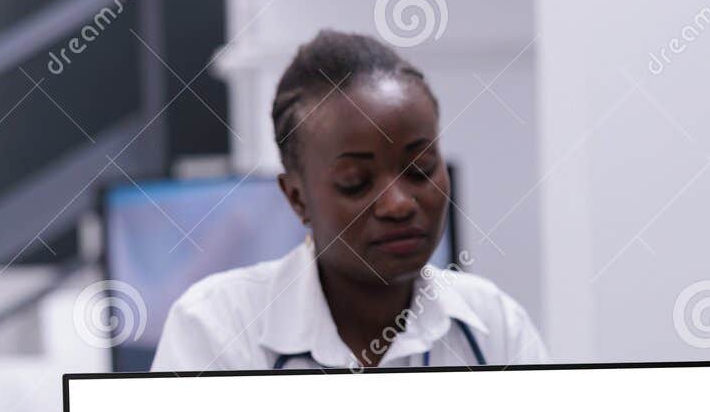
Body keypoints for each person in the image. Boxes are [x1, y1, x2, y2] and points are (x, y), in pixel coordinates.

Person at [152, 30, 547, 372]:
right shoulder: (214, 327)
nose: (398, 204)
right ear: (296, 198)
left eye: (421, 169)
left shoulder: (494, 327)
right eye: (355, 182)